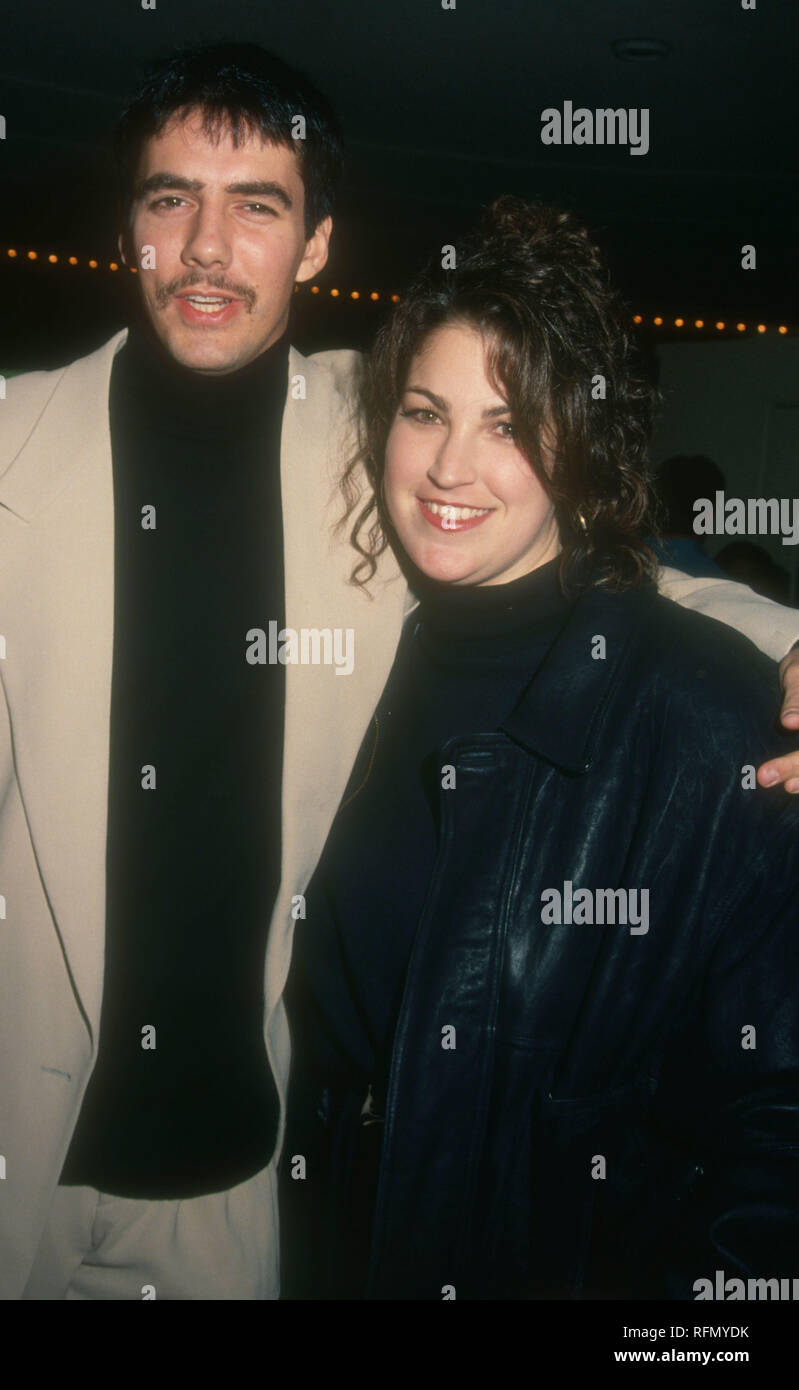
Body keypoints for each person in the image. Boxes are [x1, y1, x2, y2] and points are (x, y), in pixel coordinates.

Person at [0, 46, 798, 1302]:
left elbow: (578, 557)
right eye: (172, 199)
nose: (209, 247)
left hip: (233, 1185)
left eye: (257, 206)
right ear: (130, 226)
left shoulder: (372, 438)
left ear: (316, 242)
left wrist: (779, 639)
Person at [282, 196, 799, 1300]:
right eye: (425, 412)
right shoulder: (361, 653)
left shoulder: (704, 716)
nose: (449, 467)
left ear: (582, 446)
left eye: (509, 425)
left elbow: (781, 1123)